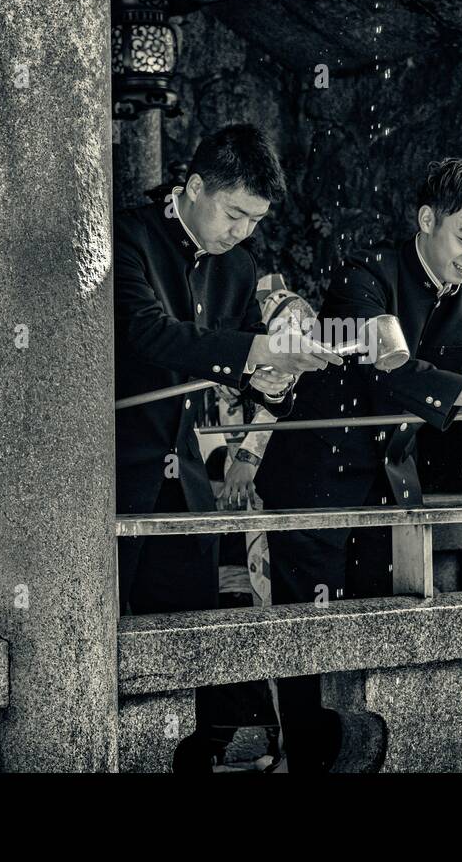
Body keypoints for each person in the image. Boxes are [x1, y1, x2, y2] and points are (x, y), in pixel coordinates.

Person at [256, 157, 462, 773]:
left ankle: (371, 748)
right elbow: (388, 371)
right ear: (426, 220)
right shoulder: (365, 276)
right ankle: (308, 754)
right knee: (308, 627)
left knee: (375, 611)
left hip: (387, 481)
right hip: (313, 477)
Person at [113, 124, 341, 771]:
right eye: (234, 213)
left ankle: (199, 754)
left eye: (255, 221)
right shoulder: (127, 235)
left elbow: (249, 358)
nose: (242, 232)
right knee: (107, 632)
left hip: (182, 476)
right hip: (108, 467)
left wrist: (275, 378)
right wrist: (254, 353)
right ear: (193, 188)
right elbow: (151, 336)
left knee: (194, 636)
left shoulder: (237, 266)